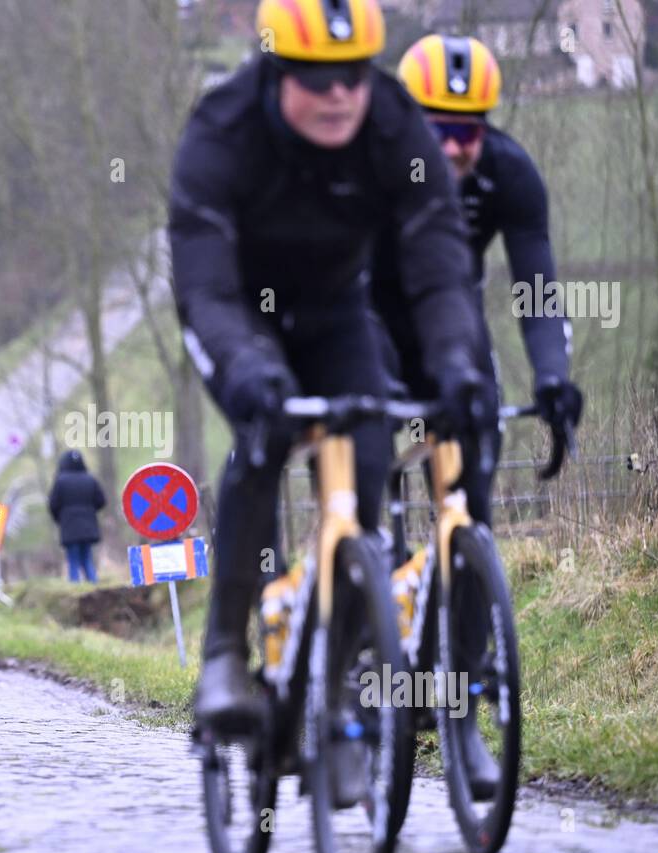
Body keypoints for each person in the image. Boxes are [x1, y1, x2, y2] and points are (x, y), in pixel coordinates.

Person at [169, 0, 489, 748]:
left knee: (370, 456)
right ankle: (223, 656)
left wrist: (453, 360)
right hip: (236, 311)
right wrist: (248, 370)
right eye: (317, 78)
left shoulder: (391, 122)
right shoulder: (223, 129)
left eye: (353, 74)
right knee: (264, 436)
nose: (340, 94)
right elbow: (206, 286)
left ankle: (337, 674)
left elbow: (438, 260)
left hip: (336, 308)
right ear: (276, 71)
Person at [373, 34, 583, 526]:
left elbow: (537, 292)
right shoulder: (374, 164)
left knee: (479, 437)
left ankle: (465, 563)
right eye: (437, 129)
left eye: (467, 133)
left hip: (451, 316)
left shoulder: (509, 173)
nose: (451, 147)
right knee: (363, 456)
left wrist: (552, 374)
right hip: (371, 316)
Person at [48, 450, 105, 583]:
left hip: (69, 526)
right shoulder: (90, 479)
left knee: (73, 561)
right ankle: (93, 586)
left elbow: (53, 504)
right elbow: (101, 501)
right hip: (88, 527)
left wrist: (60, 518)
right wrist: (89, 511)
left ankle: (75, 588)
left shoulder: (60, 481)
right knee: (87, 559)